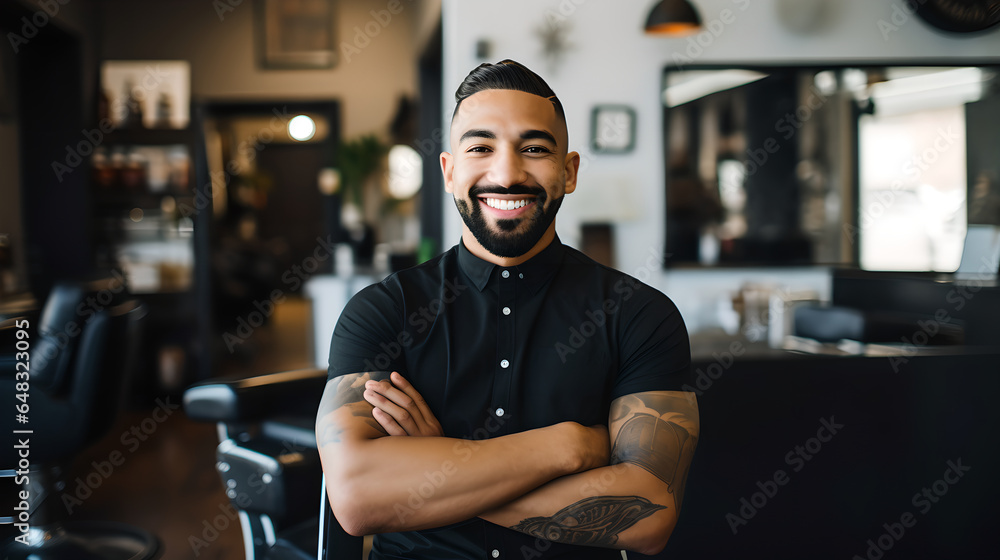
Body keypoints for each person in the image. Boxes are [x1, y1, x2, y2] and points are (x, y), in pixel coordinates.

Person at [315, 59, 698, 559]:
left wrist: (442, 467)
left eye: (534, 149)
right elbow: (358, 500)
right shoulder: (382, 312)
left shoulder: (640, 316)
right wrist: (567, 449)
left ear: (569, 171)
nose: (506, 173)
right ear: (450, 172)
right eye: (480, 148)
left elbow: (649, 516)